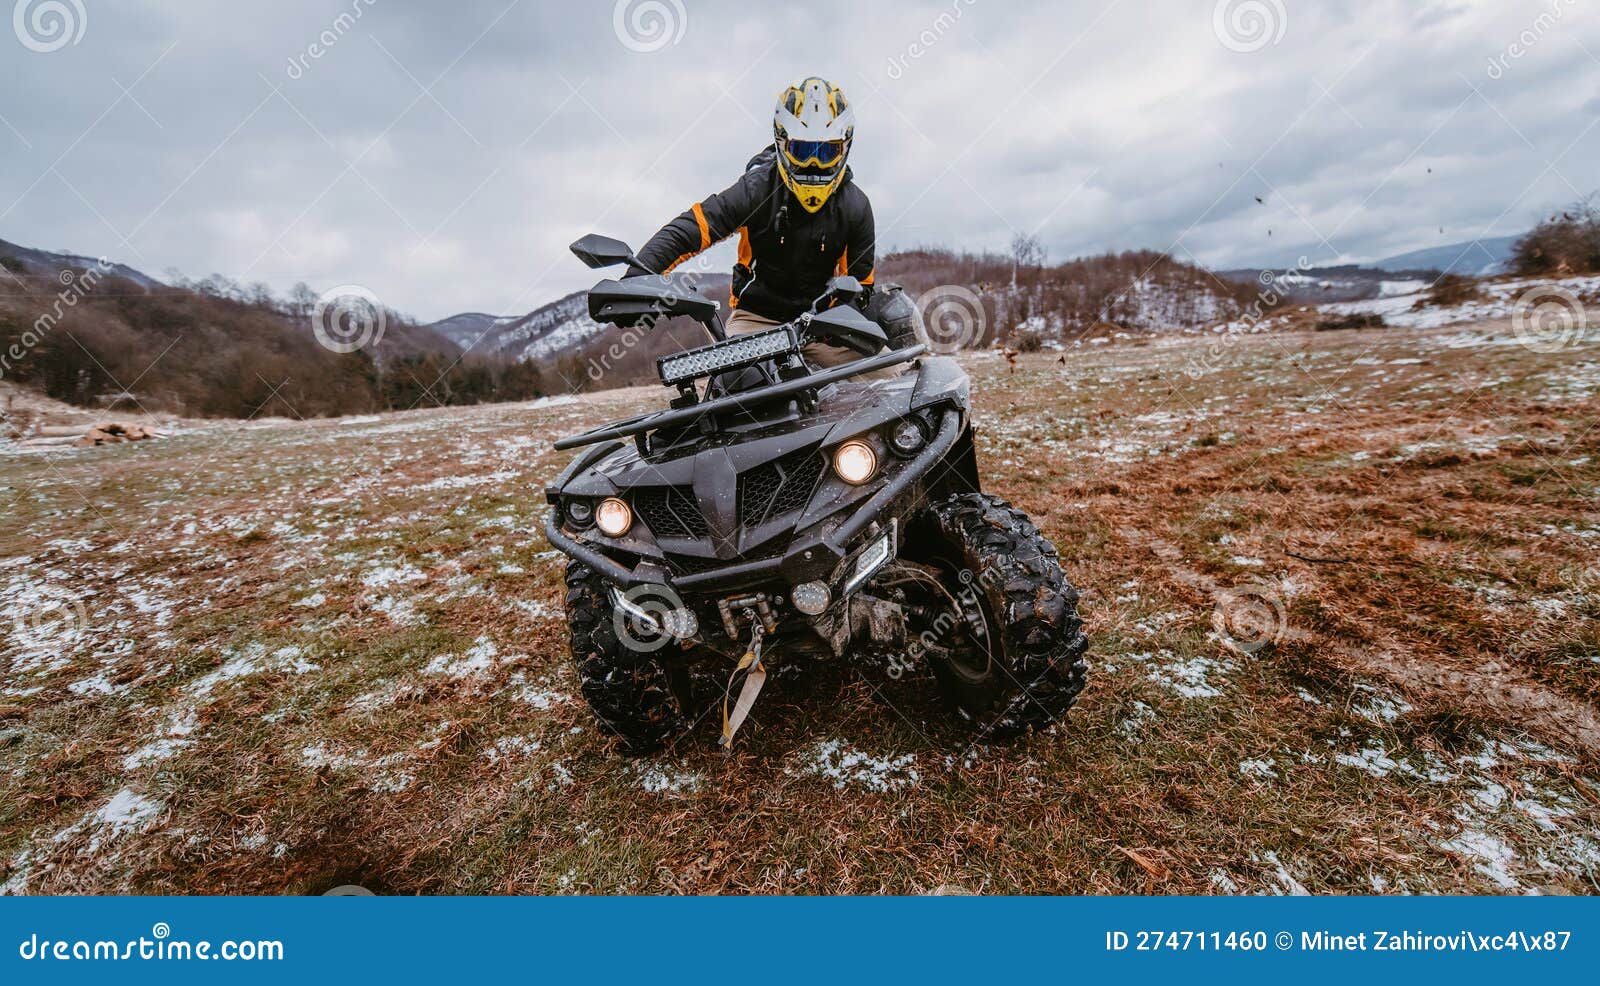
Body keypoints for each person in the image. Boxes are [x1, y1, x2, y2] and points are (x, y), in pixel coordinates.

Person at [628, 76, 881, 372]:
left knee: (892, 376)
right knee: (742, 380)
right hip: (756, 321)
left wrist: (834, 322)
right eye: (802, 151)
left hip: (821, 325)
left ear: (844, 147)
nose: (813, 164)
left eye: (826, 152)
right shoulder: (756, 189)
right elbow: (692, 229)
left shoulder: (856, 207)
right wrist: (637, 279)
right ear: (782, 144)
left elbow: (860, 286)